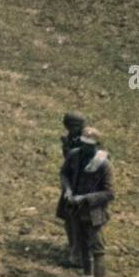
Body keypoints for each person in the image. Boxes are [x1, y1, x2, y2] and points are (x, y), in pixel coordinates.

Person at [60, 127, 114, 277]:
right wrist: (67, 190)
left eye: (89, 145)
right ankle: (87, 276)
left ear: (97, 145)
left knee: (97, 249)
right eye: (83, 143)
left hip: (94, 212)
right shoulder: (74, 155)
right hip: (75, 208)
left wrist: (85, 198)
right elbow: (64, 174)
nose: (85, 148)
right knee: (81, 242)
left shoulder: (104, 165)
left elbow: (109, 193)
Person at [56, 112, 88, 267]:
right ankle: (73, 249)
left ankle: (79, 257)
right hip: (71, 183)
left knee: (79, 221)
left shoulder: (88, 141)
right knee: (68, 218)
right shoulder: (70, 138)